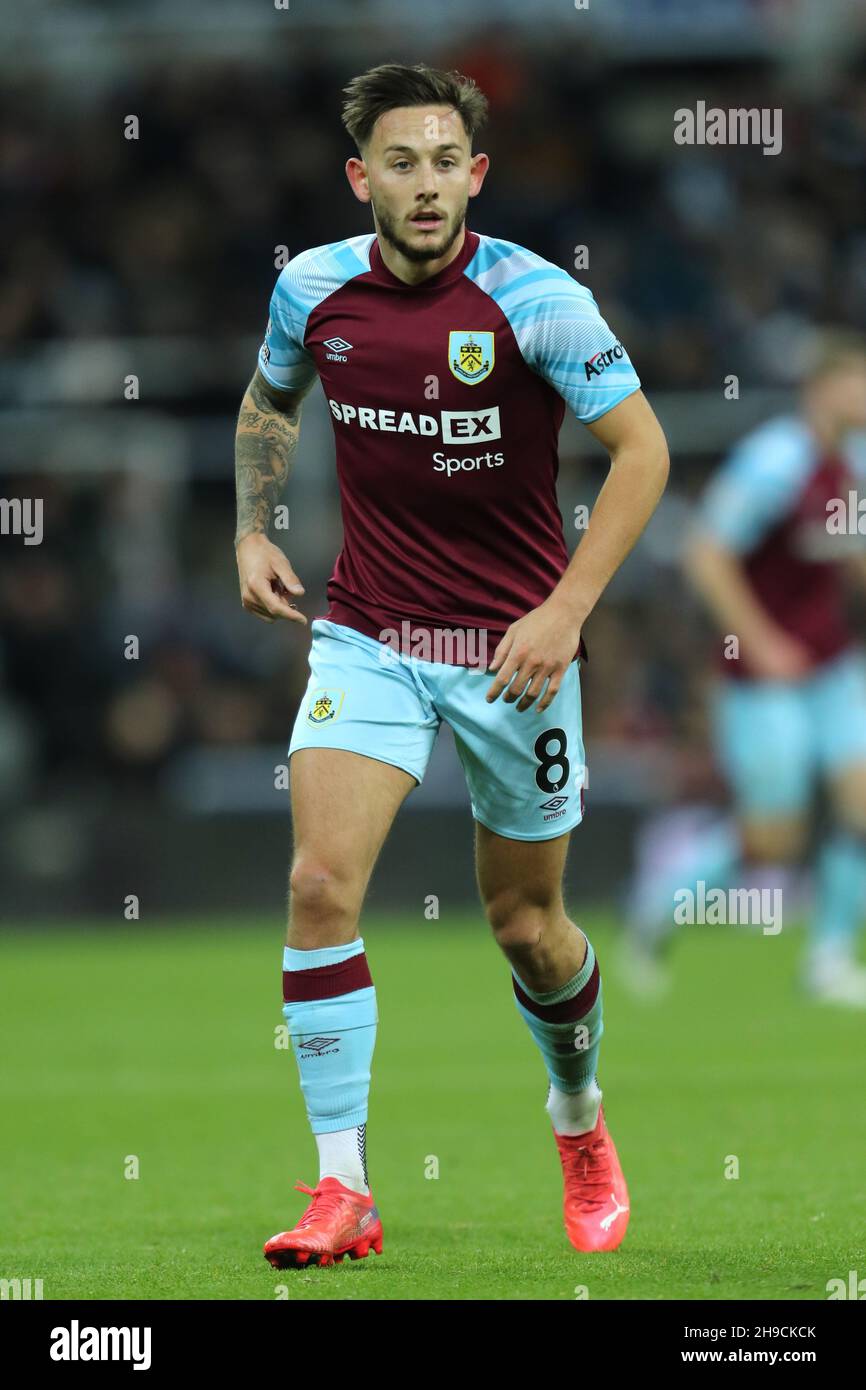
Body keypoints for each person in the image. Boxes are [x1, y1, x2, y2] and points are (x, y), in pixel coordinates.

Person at [233, 62, 668, 1268]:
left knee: (526, 924)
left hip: (512, 656)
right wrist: (252, 523)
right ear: (359, 176)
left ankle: (577, 1119)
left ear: (473, 176)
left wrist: (566, 611)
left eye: (444, 164)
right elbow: (269, 405)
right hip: (368, 633)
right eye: (400, 162)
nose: (423, 185)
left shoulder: (535, 301)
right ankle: (342, 1186)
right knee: (319, 882)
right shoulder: (310, 287)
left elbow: (641, 452)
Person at [624, 331, 866, 1008]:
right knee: (770, 841)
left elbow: (843, 552)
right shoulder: (775, 461)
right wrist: (757, 642)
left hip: (830, 663)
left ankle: (828, 960)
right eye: (859, 384)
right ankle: (656, 912)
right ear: (823, 391)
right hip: (763, 677)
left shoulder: (850, 462)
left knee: (862, 807)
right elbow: (706, 553)